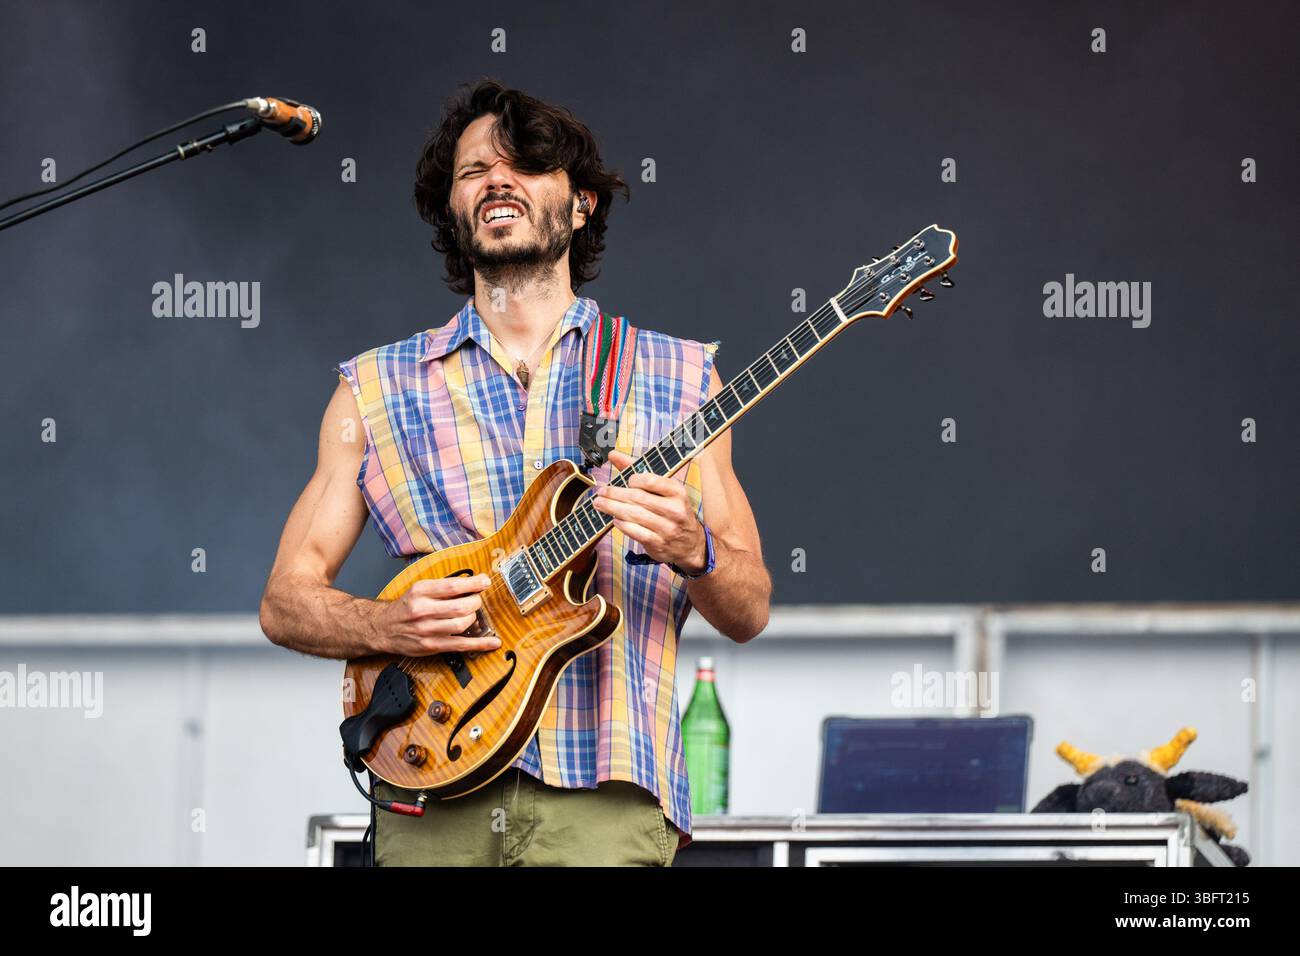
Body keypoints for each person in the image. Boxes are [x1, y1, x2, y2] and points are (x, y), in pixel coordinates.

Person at [259, 78, 771, 866]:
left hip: (604, 793)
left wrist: (693, 547)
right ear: (452, 211)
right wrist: (388, 625)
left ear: (580, 205)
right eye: (473, 171)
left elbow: (749, 609)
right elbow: (285, 603)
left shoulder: (677, 376)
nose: (497, 180)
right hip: (434, 781)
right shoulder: (375, 388)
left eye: (526, 165)